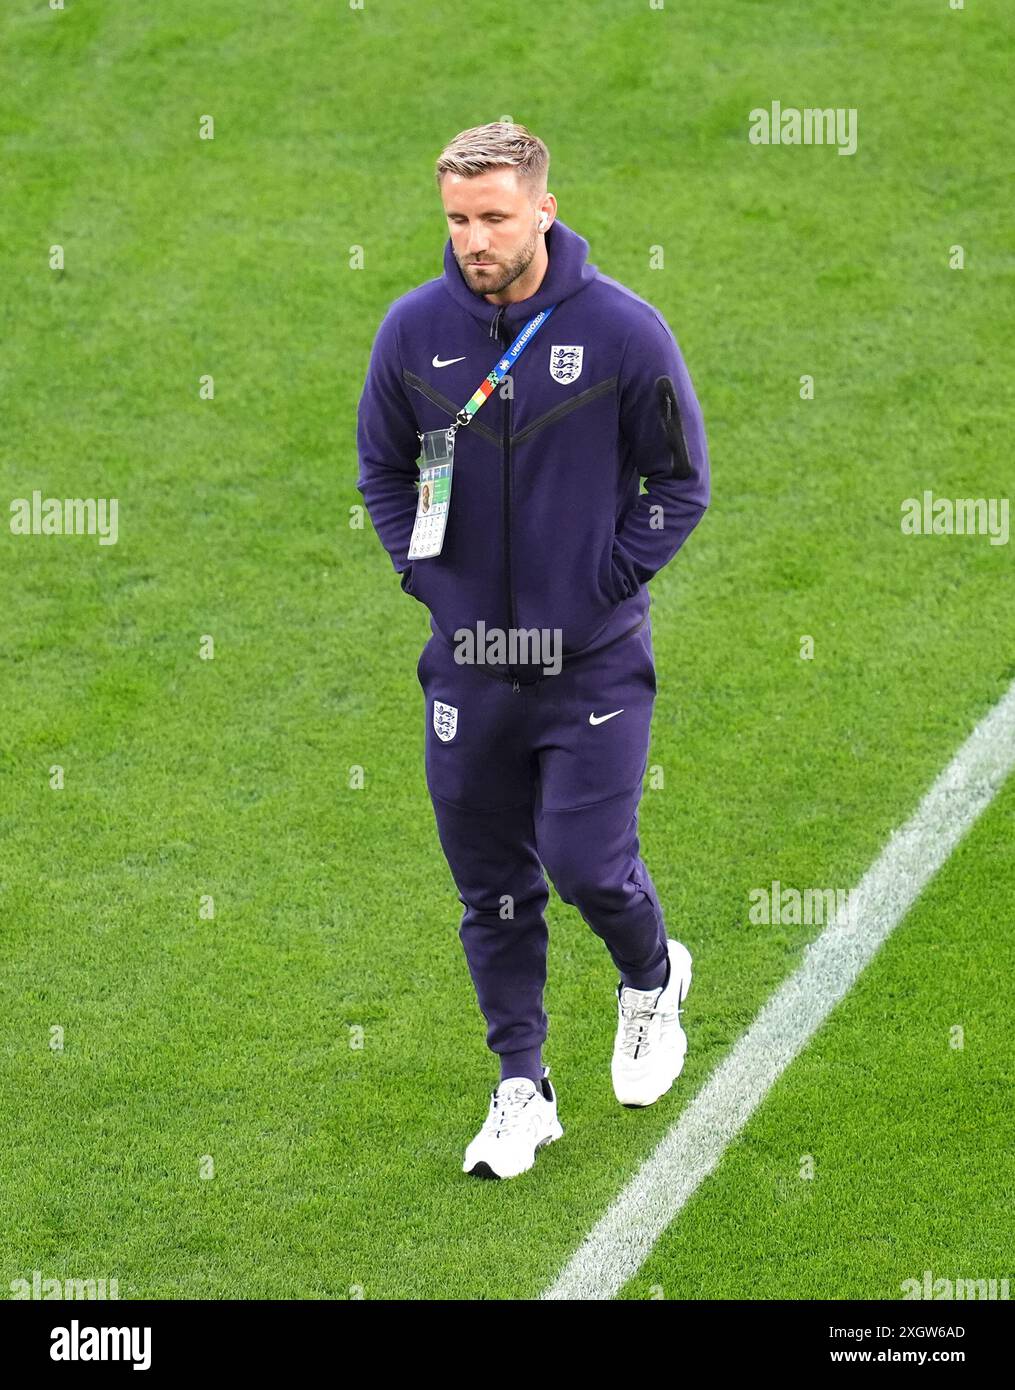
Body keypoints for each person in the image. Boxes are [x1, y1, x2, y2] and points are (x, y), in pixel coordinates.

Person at [356, 122, 710, 1180]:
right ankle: (522, 1086)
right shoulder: (413, 333)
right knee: (491, 889)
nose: (474, 238)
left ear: (542, 210)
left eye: (494, 216)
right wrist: (426, 580)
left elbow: (677, 482)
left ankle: (651, 977)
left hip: (590, 664)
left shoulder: (621, 332)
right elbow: (383, 469)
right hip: (466, 666)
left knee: (586, 864)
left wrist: (600, 586)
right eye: (459, 218)